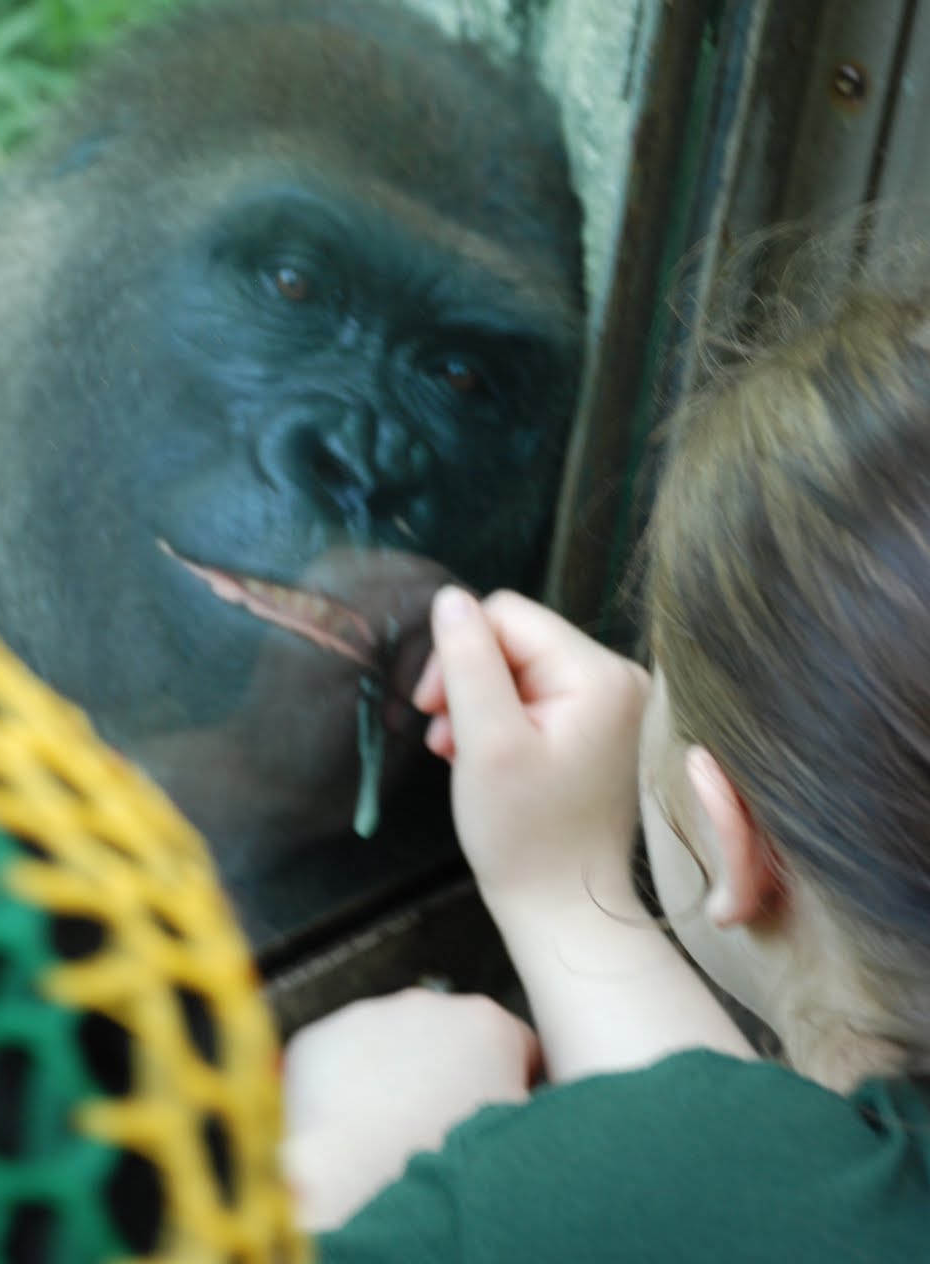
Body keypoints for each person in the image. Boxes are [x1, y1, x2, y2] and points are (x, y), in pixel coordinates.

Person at [282, 279, 930, 1258]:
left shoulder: (532, 1203)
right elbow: (770, 1200)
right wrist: (561, 890)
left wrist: (345, 1162)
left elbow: (676, 1193)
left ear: (730, 834)